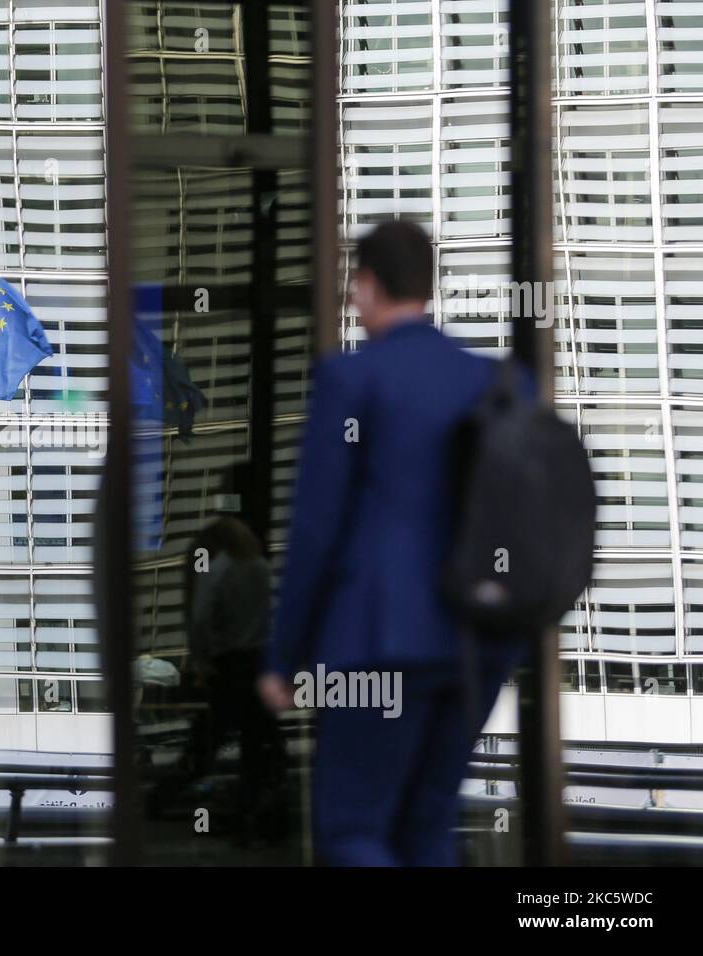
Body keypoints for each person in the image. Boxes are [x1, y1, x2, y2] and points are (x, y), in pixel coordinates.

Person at [257, 218, 529, 866]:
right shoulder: (504, 383)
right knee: (427, 828)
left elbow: (316, 529)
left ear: (369, 286)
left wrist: (284, 657)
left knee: (354, 831)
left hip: (376, 646)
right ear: (429, 288)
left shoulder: (352, 380)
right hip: (477, 644)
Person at [184, 464, 285, 839]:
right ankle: (252, 813)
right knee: (257, 743)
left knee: (217, 735)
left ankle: (172, 793)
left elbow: (199, 617)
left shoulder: (219, 563)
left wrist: (202, 658)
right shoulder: (259, 567)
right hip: (255, 663)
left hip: (229, 664)